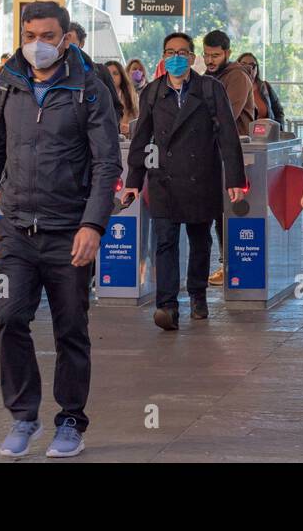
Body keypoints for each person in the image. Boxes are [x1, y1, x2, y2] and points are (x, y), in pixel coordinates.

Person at [0, 0, 121, 459]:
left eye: (46, 36)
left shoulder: (90, 88)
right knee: (8, 317)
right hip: (16, 229)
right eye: (29, 35)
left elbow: (106, 163)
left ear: (65, 38)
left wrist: (93, 224)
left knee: (70, 329)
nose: (36, 45)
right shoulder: (9, 79)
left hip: (68, 232)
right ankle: (24, 416)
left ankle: (69, 422)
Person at [122, 32, 246, 330]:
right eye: (170, 52)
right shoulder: (152, 92)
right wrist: (133, 181)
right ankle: (166, 306)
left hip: (202, 175)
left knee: (199, 240)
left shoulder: (209, 88)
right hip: (163, 178)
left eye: (182, 53)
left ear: (192, 58)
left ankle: (197, 295)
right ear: (163, 58)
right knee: (165, 242)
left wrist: (235, 178)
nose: (176, 58)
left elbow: (228, 134)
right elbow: (142, 139)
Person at [202, 29, 259, 286]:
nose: (210, 60)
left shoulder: (236, 77)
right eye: (206, 55)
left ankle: (231, 265)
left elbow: (226, 116)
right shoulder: (208, 77)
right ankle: (225, 264)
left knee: (230, 214)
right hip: (212, 152)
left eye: (215, 55)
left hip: (236, 153)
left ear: (227, 53)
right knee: (217, 213)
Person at [236, 52, 286, 126]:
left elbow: (279, 112)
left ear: (257, 69)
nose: (249, 68)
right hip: (242, 135)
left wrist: (278, 129)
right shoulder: (233, 87)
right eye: (244, 65)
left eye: (253, 65)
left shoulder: (265, 87)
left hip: (266, 134)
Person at [104, 60, 139, 135]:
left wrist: (129, 128)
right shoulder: (96, 98)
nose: (111, 76)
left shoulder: (133, 97)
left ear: (122, 76)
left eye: (115, 73)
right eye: (108, 74)